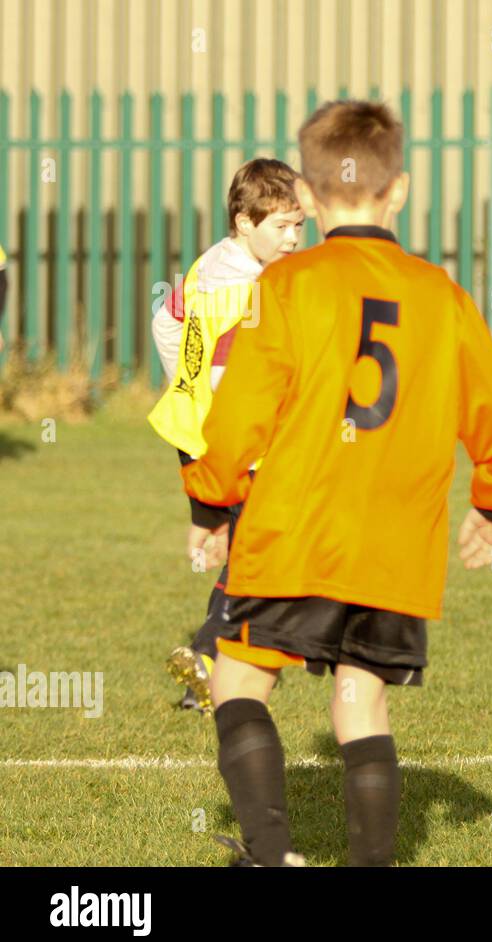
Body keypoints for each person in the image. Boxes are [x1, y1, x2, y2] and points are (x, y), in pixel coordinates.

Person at [182, 101, 492, 865]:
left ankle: (271, 855)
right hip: (397, 540)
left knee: (239, 676)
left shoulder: (288, 284)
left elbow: (241, 411)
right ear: (397, 190)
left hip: (295, 527)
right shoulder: (441, 294)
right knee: (360, 695)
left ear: (306, 197)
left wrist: (209, 501)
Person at [148, 158, 305, 714]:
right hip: (233, 443)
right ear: (245, 222)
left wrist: (183, 385)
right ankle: (212, 653)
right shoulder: (254, 288)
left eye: (298, 226)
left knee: (242, 549)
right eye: (280, 226)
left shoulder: (208, 264)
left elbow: (164, 322)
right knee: (261, 553)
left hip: (189, 433)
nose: (291, 238)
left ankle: (218, 663)